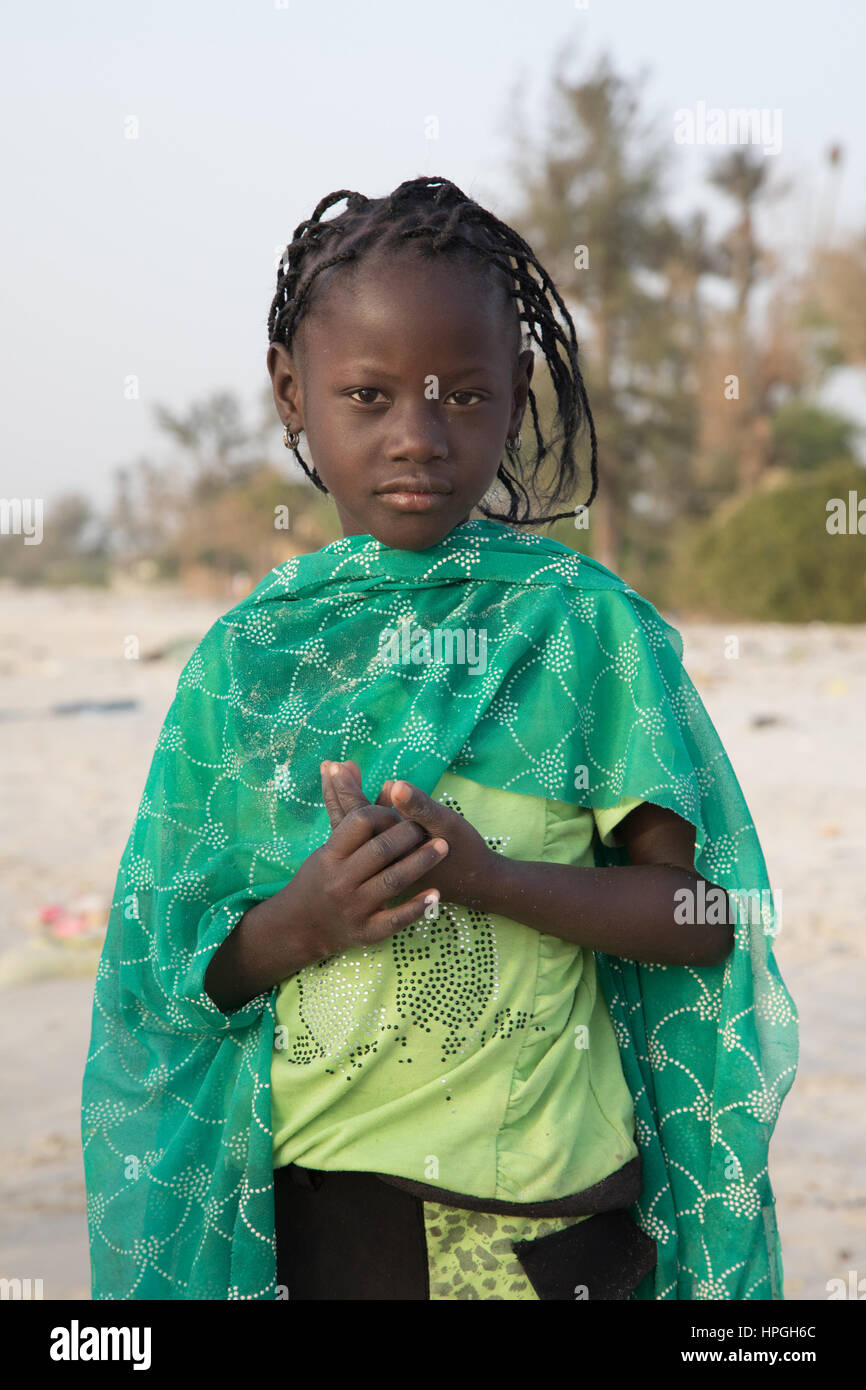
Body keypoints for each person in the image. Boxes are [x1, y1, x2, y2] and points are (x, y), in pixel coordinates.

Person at [81, 175, 798, 1301]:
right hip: (321, 1224)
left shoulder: (581, 631)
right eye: (367, 396)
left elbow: (701, 920)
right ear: (290, 392)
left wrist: (492, 878)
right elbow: (172, 981)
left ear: (515, 396)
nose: (416, 437)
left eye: (461, 397)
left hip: (541, 1225)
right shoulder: (248, 665)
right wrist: (302, 921)